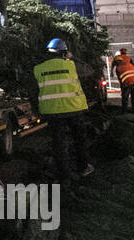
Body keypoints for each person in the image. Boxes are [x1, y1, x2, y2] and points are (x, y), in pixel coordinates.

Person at [34, 38, 94, 181]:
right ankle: (83, 167)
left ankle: (63, 173)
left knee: (58, 142)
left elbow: (34, 90)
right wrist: (72, 57)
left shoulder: (38, 68)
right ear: (64, 52)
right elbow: (89, 70)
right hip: (74, 108)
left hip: (52, 111)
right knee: (79, 139)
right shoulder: (72, 65)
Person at [111, 46, 134, 111]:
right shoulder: (129, 63)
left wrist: (111, 72)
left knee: (125, 97)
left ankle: (124, 110)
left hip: (128, 83)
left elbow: (122, 79)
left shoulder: (119, 68)